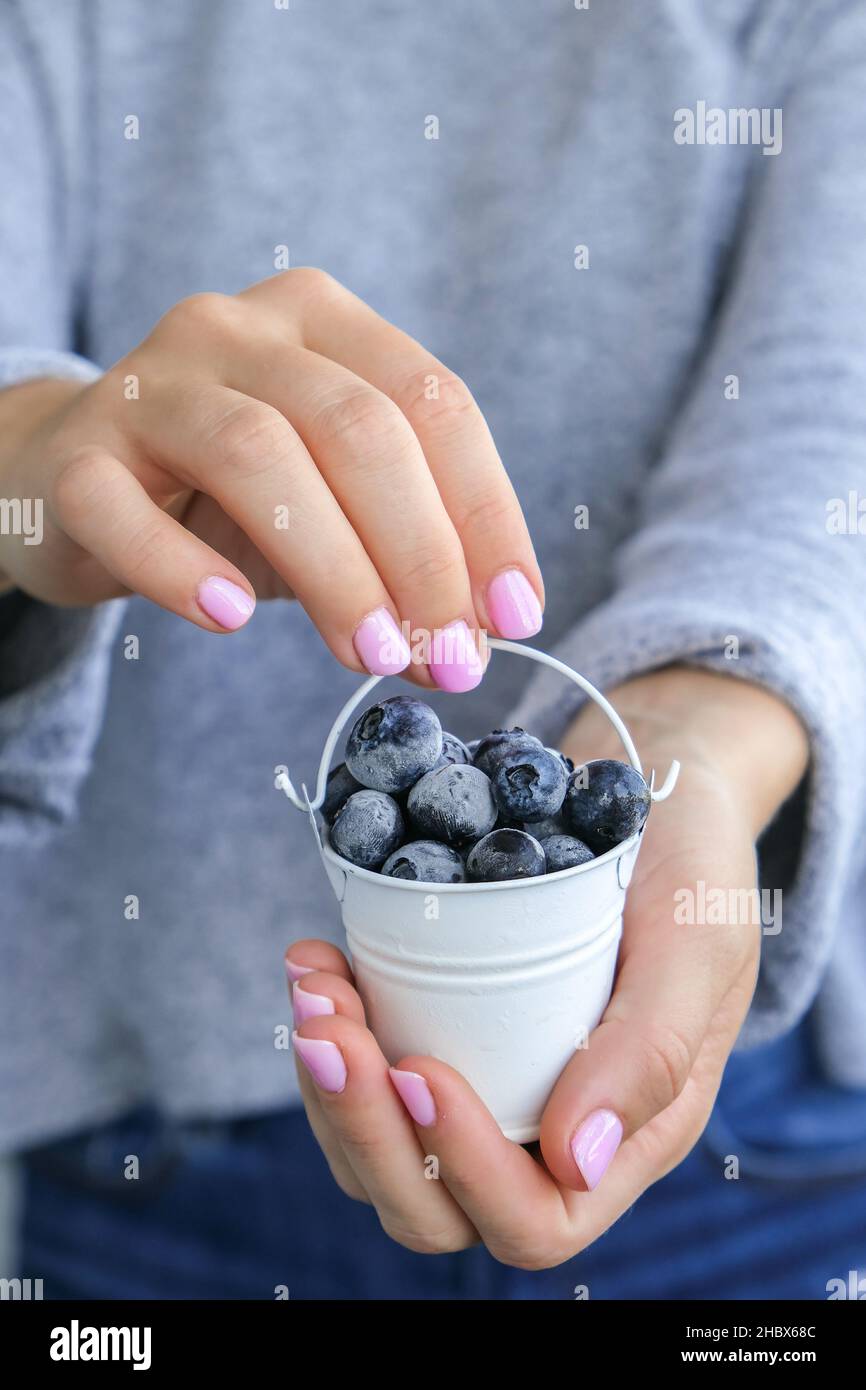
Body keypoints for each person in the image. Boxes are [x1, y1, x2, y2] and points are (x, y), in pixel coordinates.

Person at [2, 0, 865, 1299]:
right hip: (152, 1128)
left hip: (740, 1127)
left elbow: (824, 435)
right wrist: (28, 468)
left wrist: (688, 752)